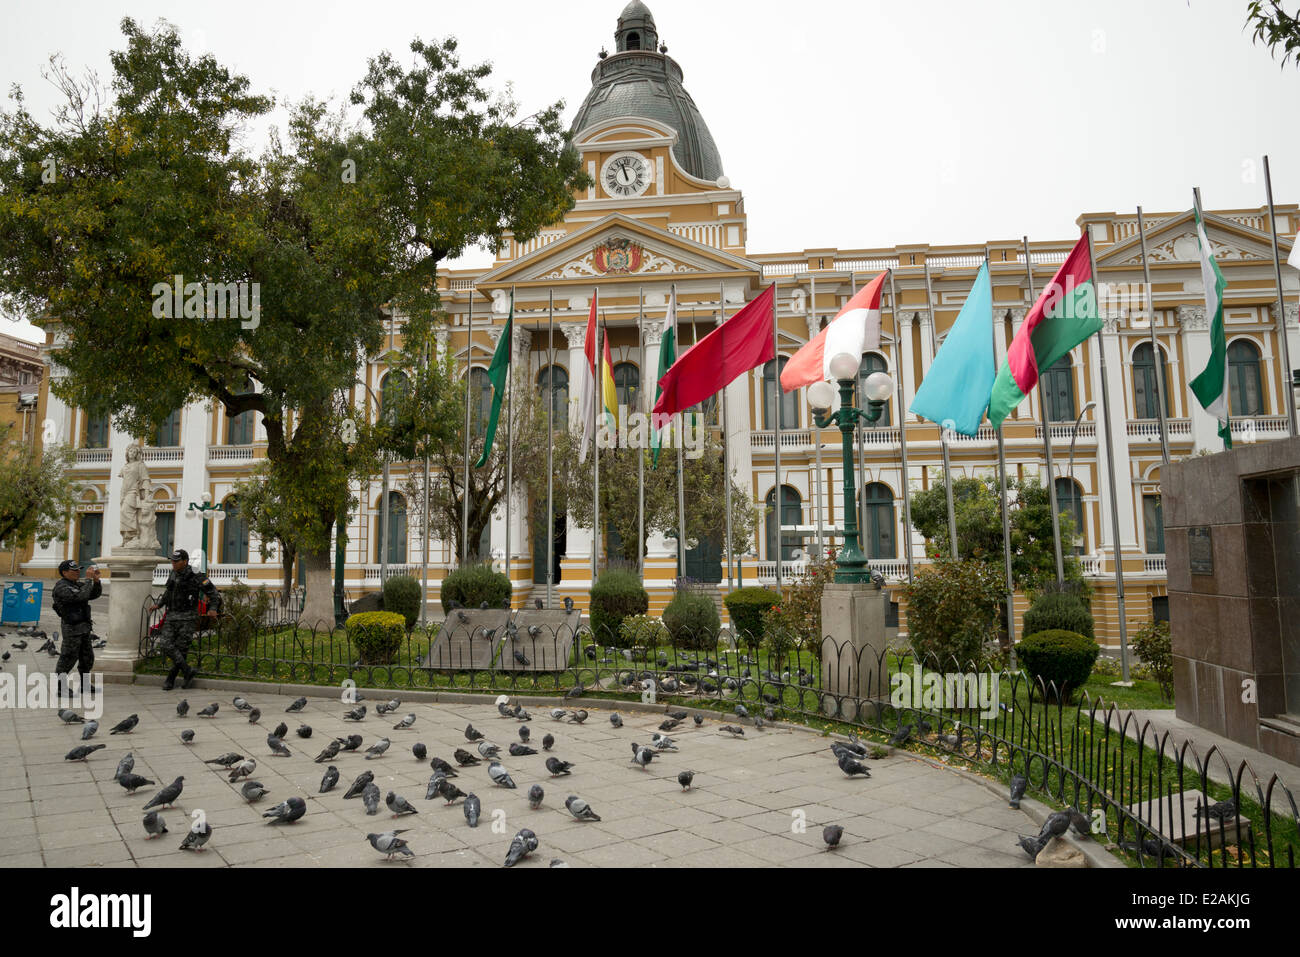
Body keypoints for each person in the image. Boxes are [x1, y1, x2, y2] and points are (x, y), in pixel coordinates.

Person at [148, 549, 221, 690]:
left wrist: (212, 609)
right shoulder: (173, 573)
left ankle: (170, 679)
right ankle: (188, 671)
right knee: (164, 644)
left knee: (181, 649)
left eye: (176, 561)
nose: (173, 563)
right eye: (172, 561)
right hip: (172, 615)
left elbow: (213, 592)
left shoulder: (195, 575)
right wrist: (160, 604)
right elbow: (169, 591)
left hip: (187, 617)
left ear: (185, 561)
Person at [52, 558, 102, 698]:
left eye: (78, 570)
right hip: (72, 628)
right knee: (68, 658)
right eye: (74, 570)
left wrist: (96, 582)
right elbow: (82, 596)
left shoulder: (76, 584)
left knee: (87, 658)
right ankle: (61, 687)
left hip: (84, 627)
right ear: (64, 572)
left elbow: (93, 594)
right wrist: (88, 580)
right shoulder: (61, 587)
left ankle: (85, 685)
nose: (77, 572)